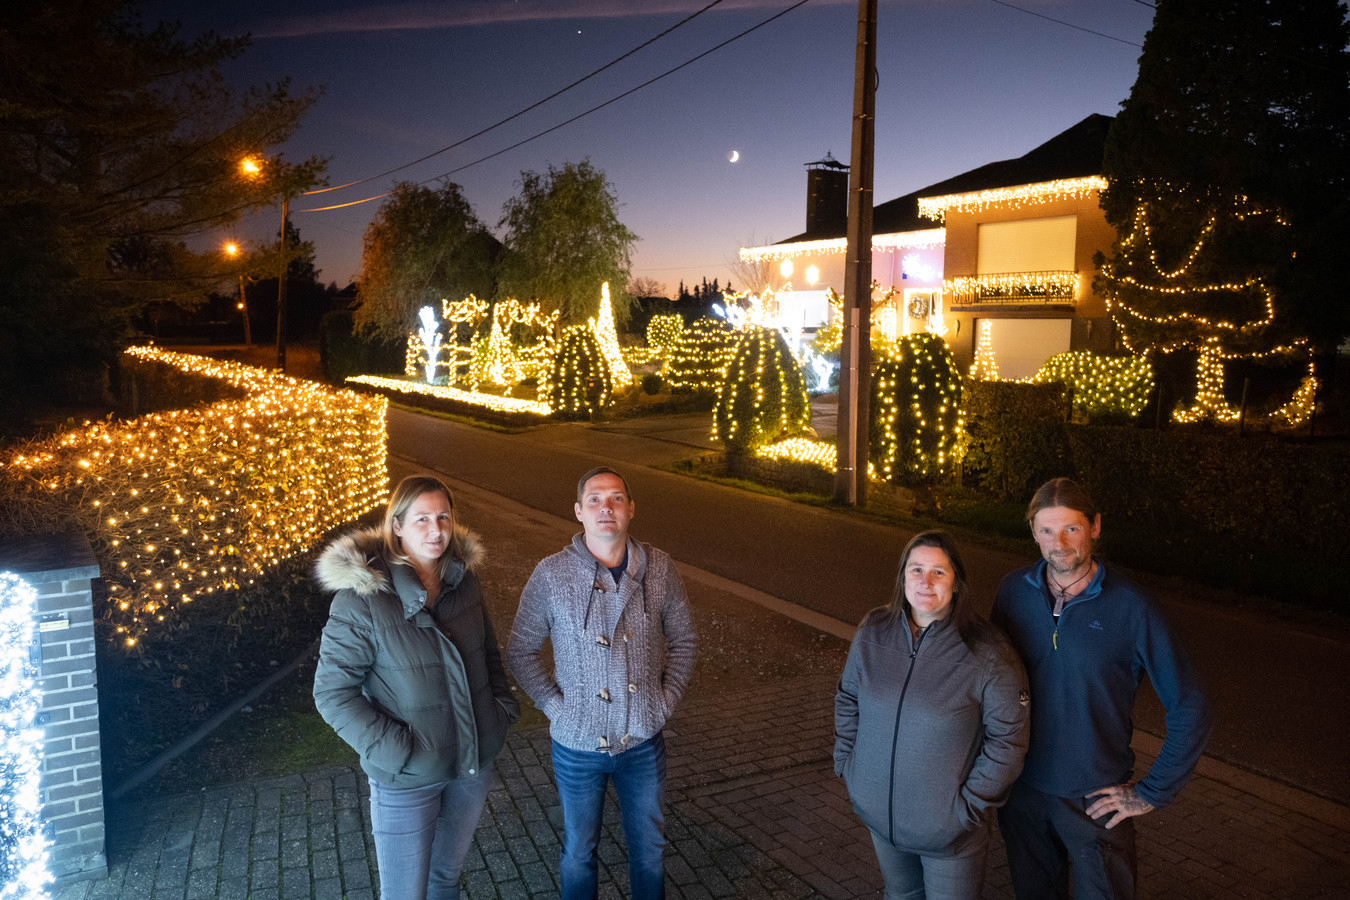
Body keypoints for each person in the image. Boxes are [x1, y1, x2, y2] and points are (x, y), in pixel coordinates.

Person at [991, 477, 1212, 900]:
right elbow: (990, 682)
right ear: (1033, 532)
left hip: (1094, 800)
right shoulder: (1013, 592)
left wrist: (1152, 792)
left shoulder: (1133, 607)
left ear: (1095, 526)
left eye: (1072, 528)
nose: (1059, 543)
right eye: (1046, 530)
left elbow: (1191, 703)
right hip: (1022, 793)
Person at [312, 474, 519, 900]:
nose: (436, 529)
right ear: (397, 527)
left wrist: (500, 711)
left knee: (445, 880)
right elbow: (333, 693)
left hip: (471, 766)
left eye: (443, 516)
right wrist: (398, 753)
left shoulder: (464, 583)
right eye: (421, 518)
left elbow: (488, 655)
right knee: (404, 894)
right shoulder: (363, 599)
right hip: (406, 781)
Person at [507, 466, 697, 900]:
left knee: (649, 851)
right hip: (576, 746)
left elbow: (685, 639)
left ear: (631, 509)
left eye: (615, 498)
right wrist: (558, 710)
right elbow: (520, 651)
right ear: (578, 511)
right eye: (594, 499)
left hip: (643, 741)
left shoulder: (660, 568)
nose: (605, 507)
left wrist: (664, 702)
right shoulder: (551, 575)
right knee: (578, 852)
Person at [835, 530, 1030, 900]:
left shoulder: (988, 652)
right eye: (916, 569)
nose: (925, 581)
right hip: (880, 820)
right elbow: (847, 697)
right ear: (902, 577)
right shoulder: (873, 630)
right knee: (901, 896)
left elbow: (1009, 739)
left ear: (957, 583)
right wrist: (849, 764)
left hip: (950, 836)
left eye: (939, 572)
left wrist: (966, 808)